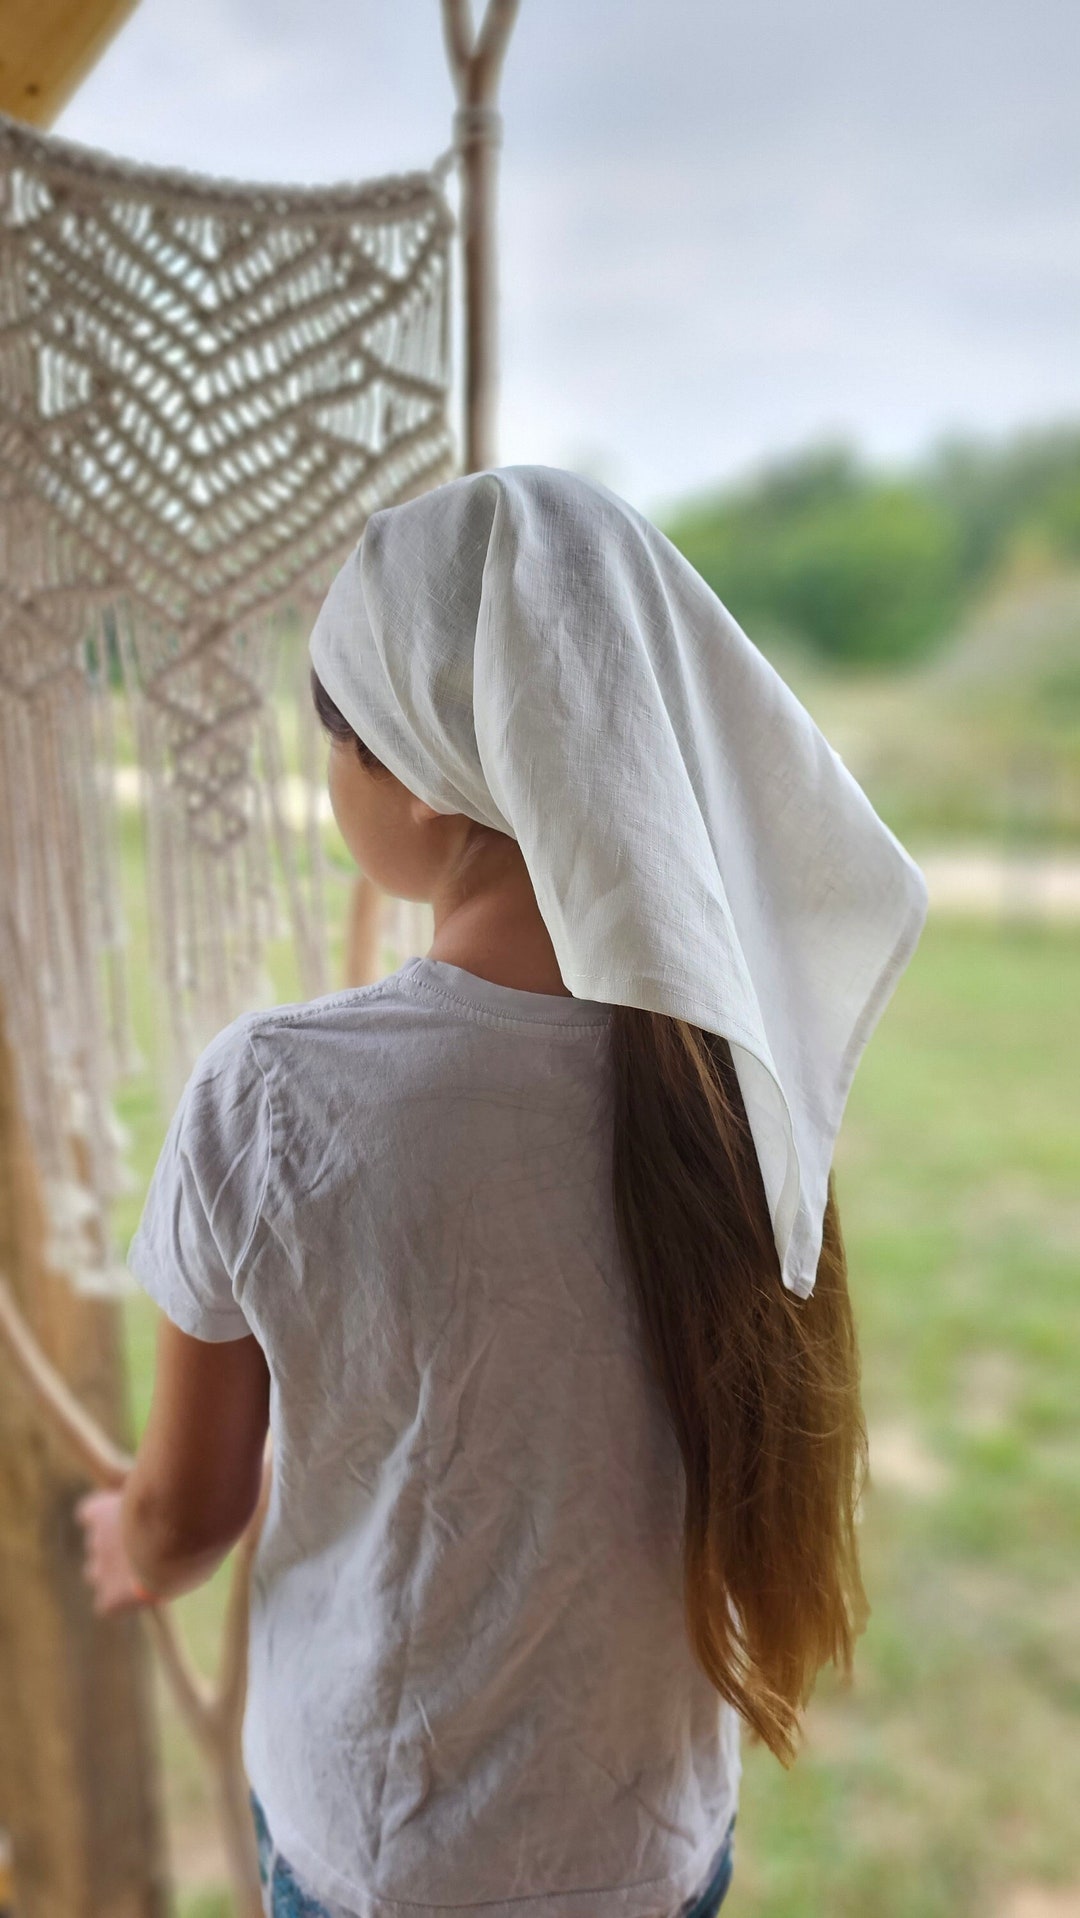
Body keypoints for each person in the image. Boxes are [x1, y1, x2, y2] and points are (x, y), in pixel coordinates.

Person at [77, 465, 928, 1918]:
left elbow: (194, 1504)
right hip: (653, 1847)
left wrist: (127, 1542)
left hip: (387, 1857)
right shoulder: (733, 1077)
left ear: (410, 774)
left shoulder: (276, 1094)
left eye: (331, 743)